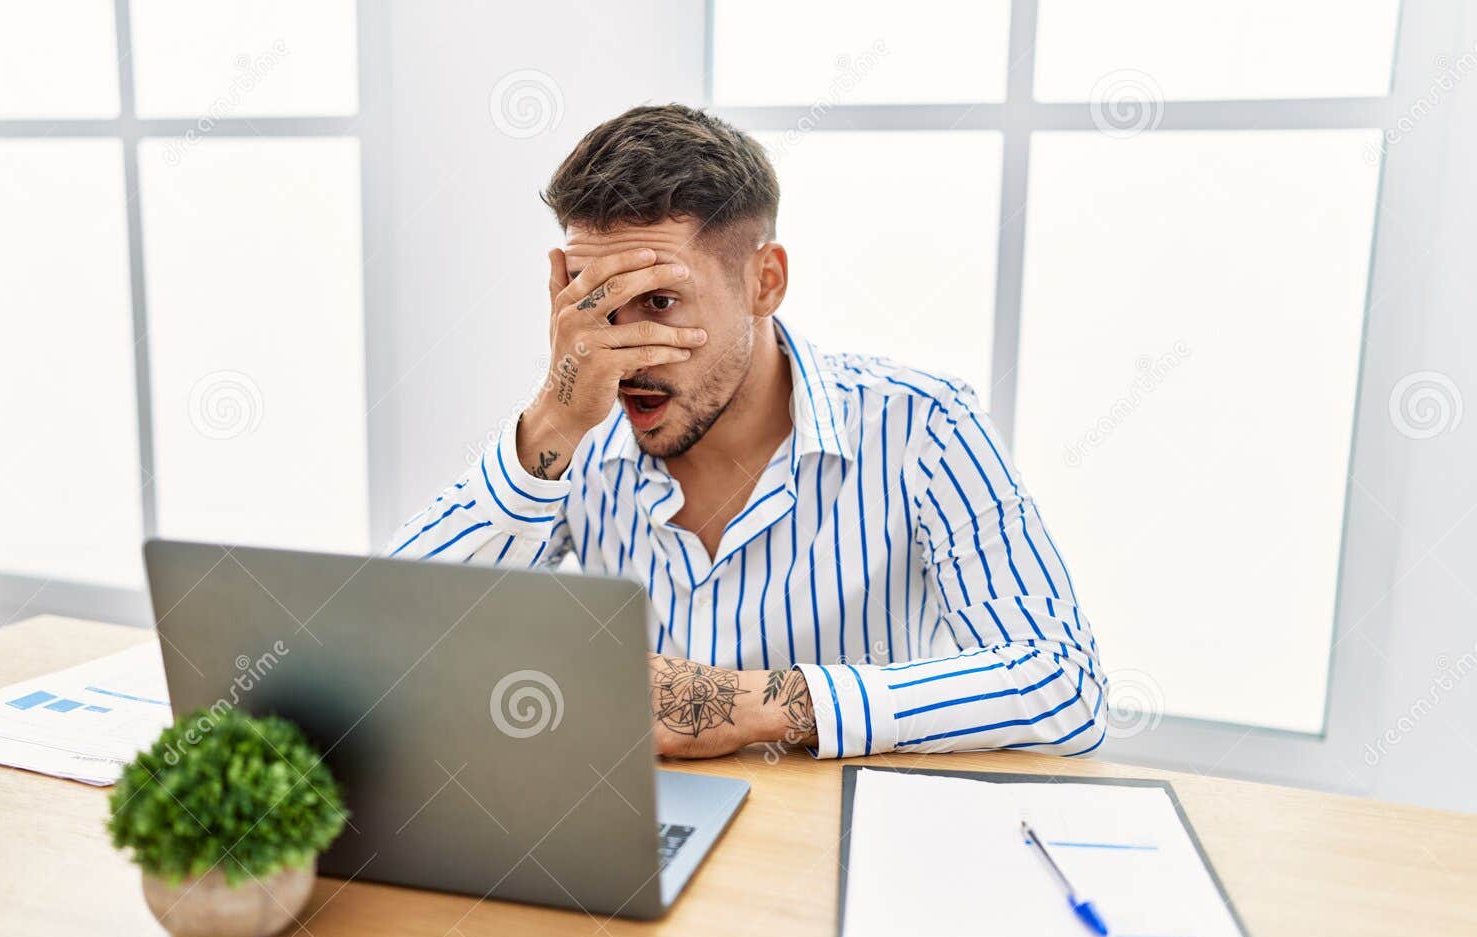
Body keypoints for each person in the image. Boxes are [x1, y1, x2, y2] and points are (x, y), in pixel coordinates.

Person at [388, 104, 1107, 762]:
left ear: (765, 281)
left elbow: (1063, 681)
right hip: (641, 850)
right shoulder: (577, 442)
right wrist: (553, 416)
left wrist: (754, 704)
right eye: (593, 304)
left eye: (660, 302)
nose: (624, 349)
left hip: (831, 857)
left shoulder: (923, 426)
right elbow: (396, 640)